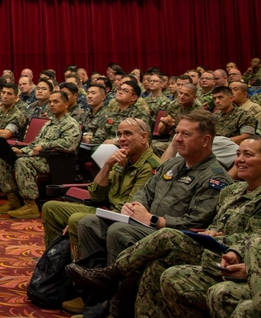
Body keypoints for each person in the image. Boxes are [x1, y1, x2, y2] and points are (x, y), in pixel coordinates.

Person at [68, 136, 261, 318]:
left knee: (160, 235)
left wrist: (156, 220)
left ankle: (111, 276)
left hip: (234, 256)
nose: (239, 160)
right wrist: (134, 206)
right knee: (155, 267)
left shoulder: (218, 178)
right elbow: (146, 192)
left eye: (248, 155)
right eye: (238, 154)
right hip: (211, 248)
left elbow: (252, 238)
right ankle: (103, 297)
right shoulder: (231, 191)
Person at [41, 118, 158, 255]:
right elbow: (96, 195)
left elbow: (130, 211)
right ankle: (54, 258)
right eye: (119, 134)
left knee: (76, 219)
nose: (121, 139)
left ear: (144, 137)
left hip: (122, 219)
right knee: (50, 208)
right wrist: (107, 165)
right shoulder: (123, 158)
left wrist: (95, 215)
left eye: (127, 134)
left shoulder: (149, 167)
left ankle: (77, 264)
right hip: (107, 210)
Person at [0, 90, 81, 219]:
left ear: (66, 104)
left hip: (55, 161)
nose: (52, 104)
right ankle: (13, 199)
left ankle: (30, 204)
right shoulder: (49, 123)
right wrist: (23, 150)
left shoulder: (71, 124)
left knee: (22, 162)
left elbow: (69, 144)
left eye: (56, 102)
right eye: (50, 102)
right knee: (2, 158)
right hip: (39, 157)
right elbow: (36, 142)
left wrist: (44, 146)